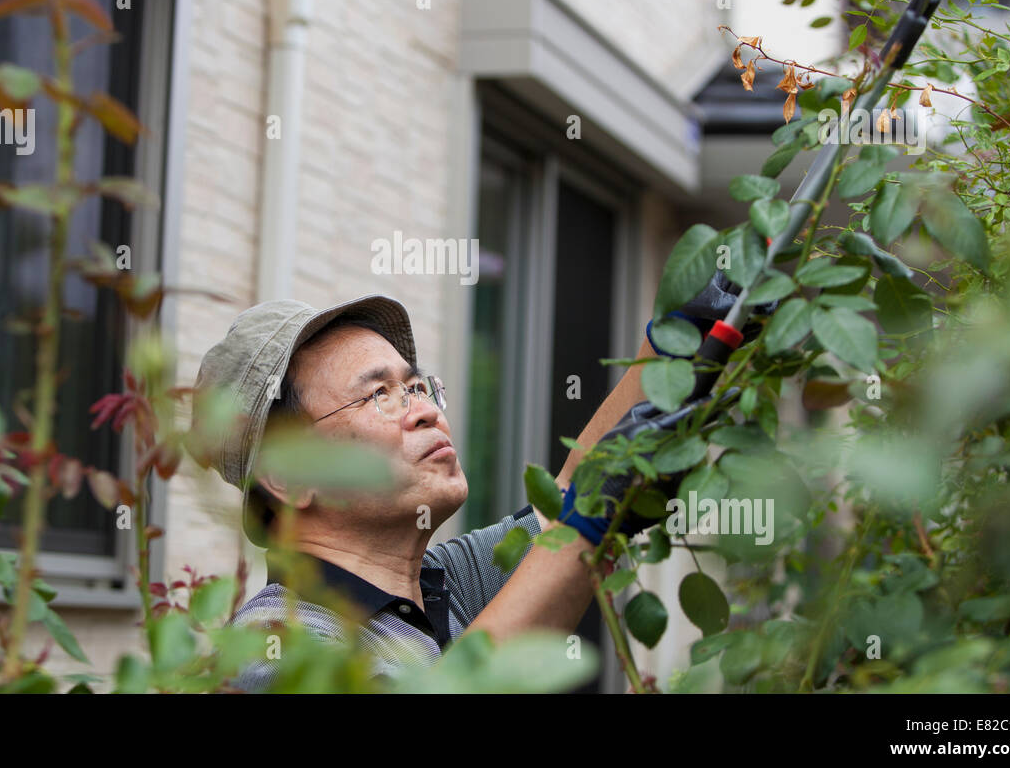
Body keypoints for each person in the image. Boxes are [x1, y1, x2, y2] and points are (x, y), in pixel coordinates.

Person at [188, 292, 739, 690]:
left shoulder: (443, 587)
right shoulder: (277, 649)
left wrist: (675, 344)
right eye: (381, 395)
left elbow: (568, 500)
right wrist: (590, 523)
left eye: (417, 385)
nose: (426, 409)